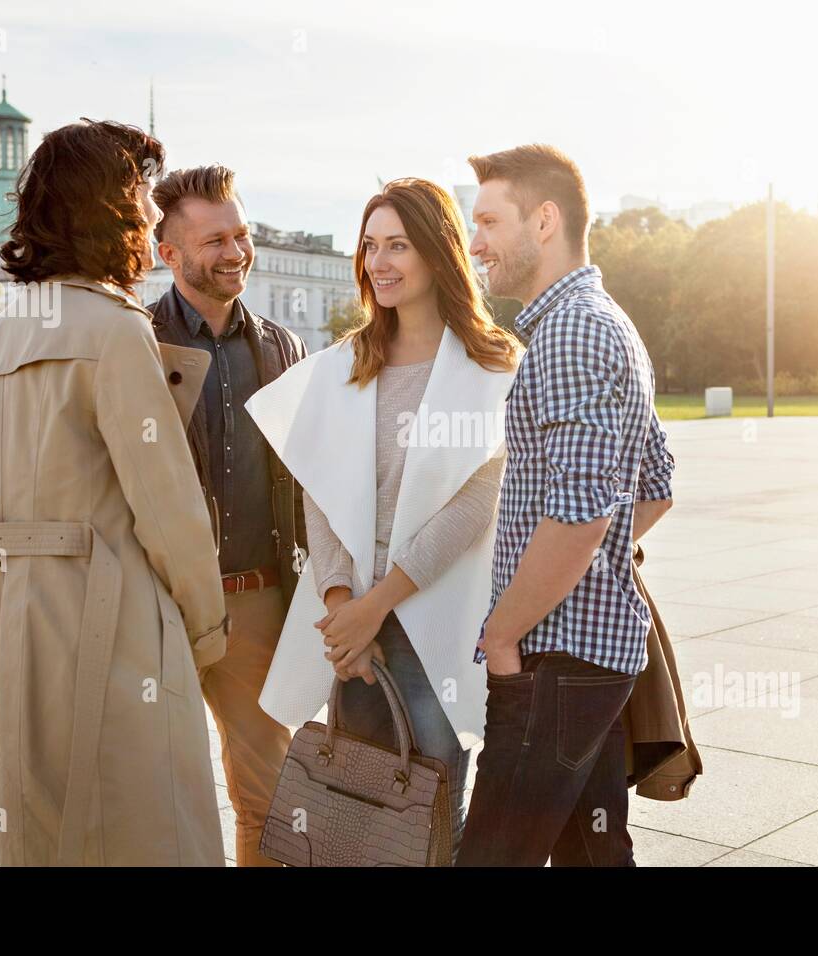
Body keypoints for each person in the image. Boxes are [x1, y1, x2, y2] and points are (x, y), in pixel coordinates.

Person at [0, 120, 228, 866]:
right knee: (133, 820)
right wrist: (207, 629)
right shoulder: (113, 331)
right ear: (107, 203)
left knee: (25, 813)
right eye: (140, 192)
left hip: (5, 608)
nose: (148, 212)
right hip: (106, 608)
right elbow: (166, 505)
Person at [246, 178, 519, 862]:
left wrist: (380, 605)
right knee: (352, 811)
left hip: (432, 621)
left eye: (398, 245)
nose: (380, 262)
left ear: (437, 252)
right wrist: (344, 606)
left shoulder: (491, 367)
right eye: (370, 246)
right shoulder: (344, 366)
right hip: (348, 629)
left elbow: (475, 505)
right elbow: (321, 491)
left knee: (429, 812)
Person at [456, 144, 676, 867]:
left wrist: (504, 634)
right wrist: (600, 560)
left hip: (552, 659)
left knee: (491, 856)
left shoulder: (572, 331)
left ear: (544, 220)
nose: (475, 241)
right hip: (588, 657)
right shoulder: (603, 319)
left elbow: (583, 515)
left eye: (489, 220)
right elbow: (654, 488)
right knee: (594, 858)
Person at [146, 165, 309, 867]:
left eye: (240, 235)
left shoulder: (281, 347)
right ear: (168, 253)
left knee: (268, 801)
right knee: (150, 797)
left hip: (256, 602)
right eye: (214, 239)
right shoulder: (134, 341)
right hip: (155, 607)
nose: (236, 251)